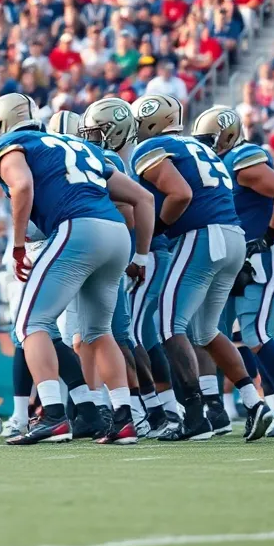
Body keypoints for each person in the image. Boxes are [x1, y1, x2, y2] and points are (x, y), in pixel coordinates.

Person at [0, 92, 155, 445]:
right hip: (117, 237)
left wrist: (16, 245)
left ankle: (54, 414)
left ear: (0, 122)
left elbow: (23, 186)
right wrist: (141, 256)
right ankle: (123, 419)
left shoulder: (13, 144)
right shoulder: (77, 146)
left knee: (30, 324)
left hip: (78, 230)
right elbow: (143, 198)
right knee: (97, 331)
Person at [130, 94, 272, 442]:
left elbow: (179, 194)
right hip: (232, 236)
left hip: (201, 237)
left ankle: (194, 416)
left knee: (167, 324)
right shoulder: (201, 149)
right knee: (205, 331)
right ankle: (254, 402)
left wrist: (158, 229)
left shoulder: (153, 149)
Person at [192, 106, 274, 438]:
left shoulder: (242, 157)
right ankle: (265, 406)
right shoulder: (214, 163)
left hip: (265, 253)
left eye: (207, 139)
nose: (203, 146)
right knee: (217, 333)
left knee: (256, 333)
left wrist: (268, 237)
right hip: (236, 257)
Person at [82, 98, 177, 434]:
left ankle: (147, 410)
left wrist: (137, 253)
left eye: (95, 131)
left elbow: (129, 211)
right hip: (129, 253)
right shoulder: (116, 158)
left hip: (126, 255)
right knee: (128, 335)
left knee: (124, 335)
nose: (88, 136)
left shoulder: (109, 160)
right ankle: (153, 410)